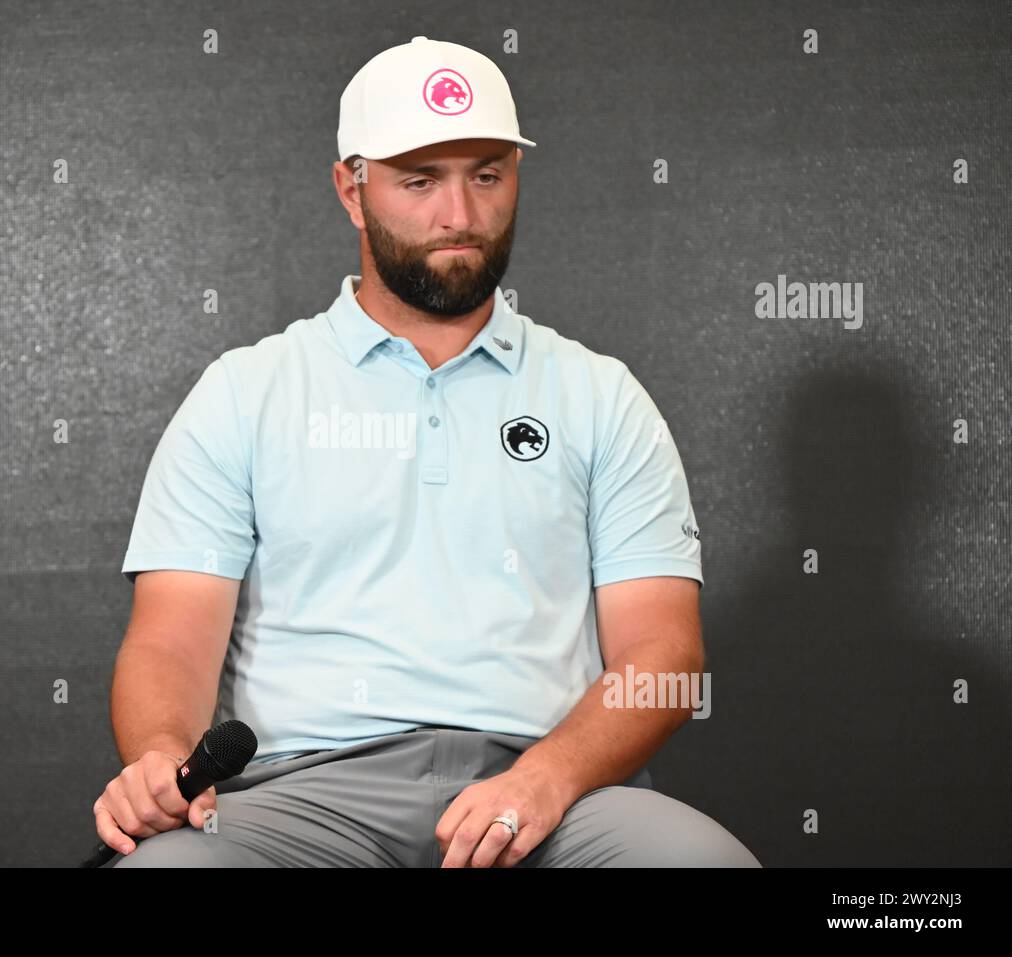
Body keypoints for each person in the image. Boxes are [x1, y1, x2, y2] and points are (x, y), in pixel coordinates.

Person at [95, 36, 760, 867]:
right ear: (351, 187)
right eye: (420, 180)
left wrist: (549, 777)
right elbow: (168, 646)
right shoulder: (243, 393)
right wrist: (160, 757)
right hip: (299, 799)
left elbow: (662, 653)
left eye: (486, 174)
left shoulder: (601, 394)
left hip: (552, 793)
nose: (462, 215)